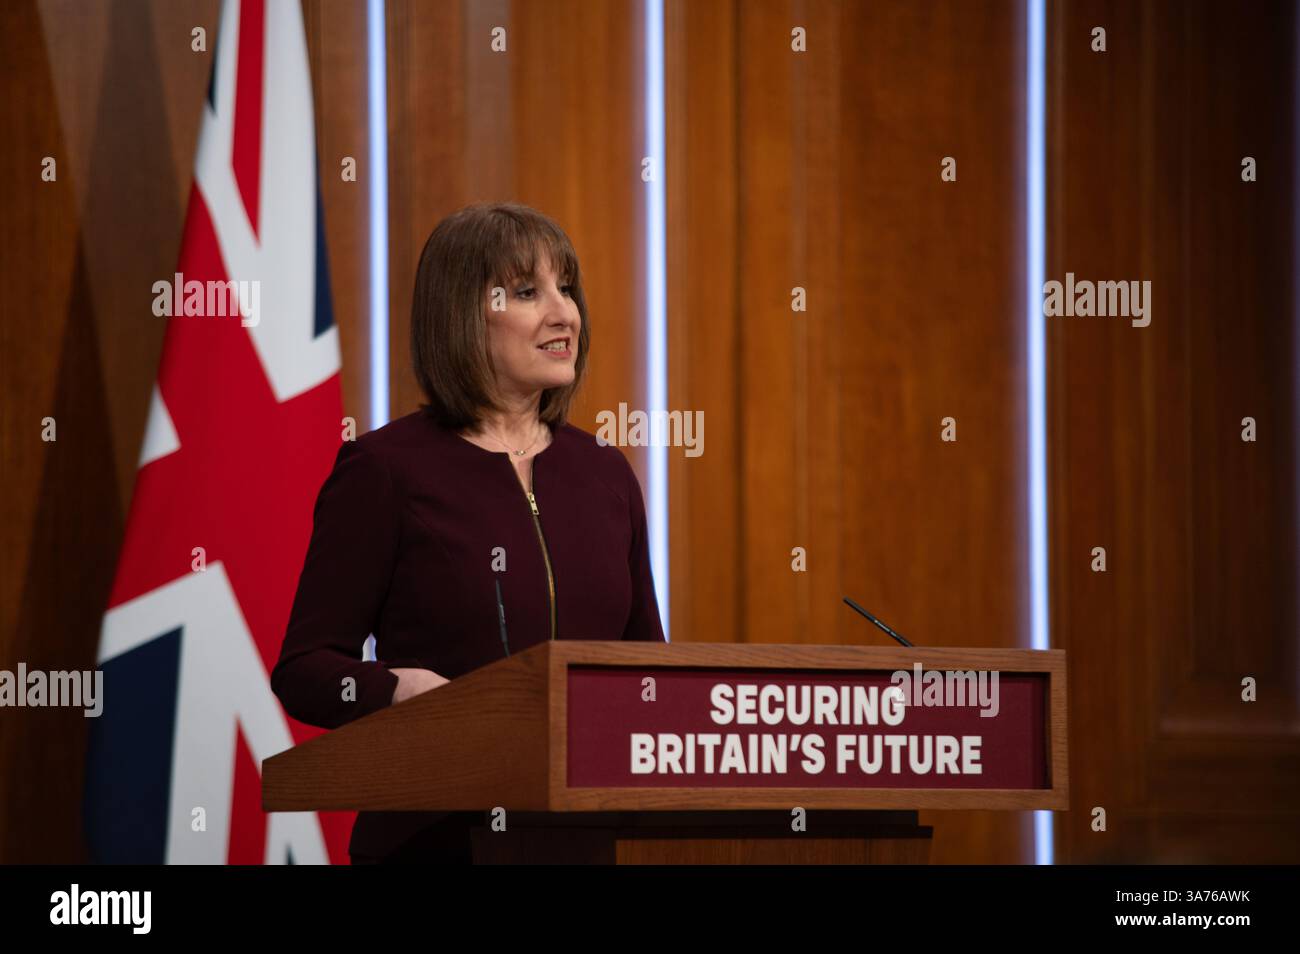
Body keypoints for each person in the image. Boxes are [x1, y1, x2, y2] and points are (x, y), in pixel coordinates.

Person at [270, 201, 667, 863]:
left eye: (565, 288)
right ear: (460, 313)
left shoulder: (605, 474)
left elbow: (645, 667)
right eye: (524, 292)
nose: (563, 312)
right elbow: (305, 669)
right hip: (437, 841)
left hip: (591, 841)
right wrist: (396, 689)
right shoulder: (386, 471)